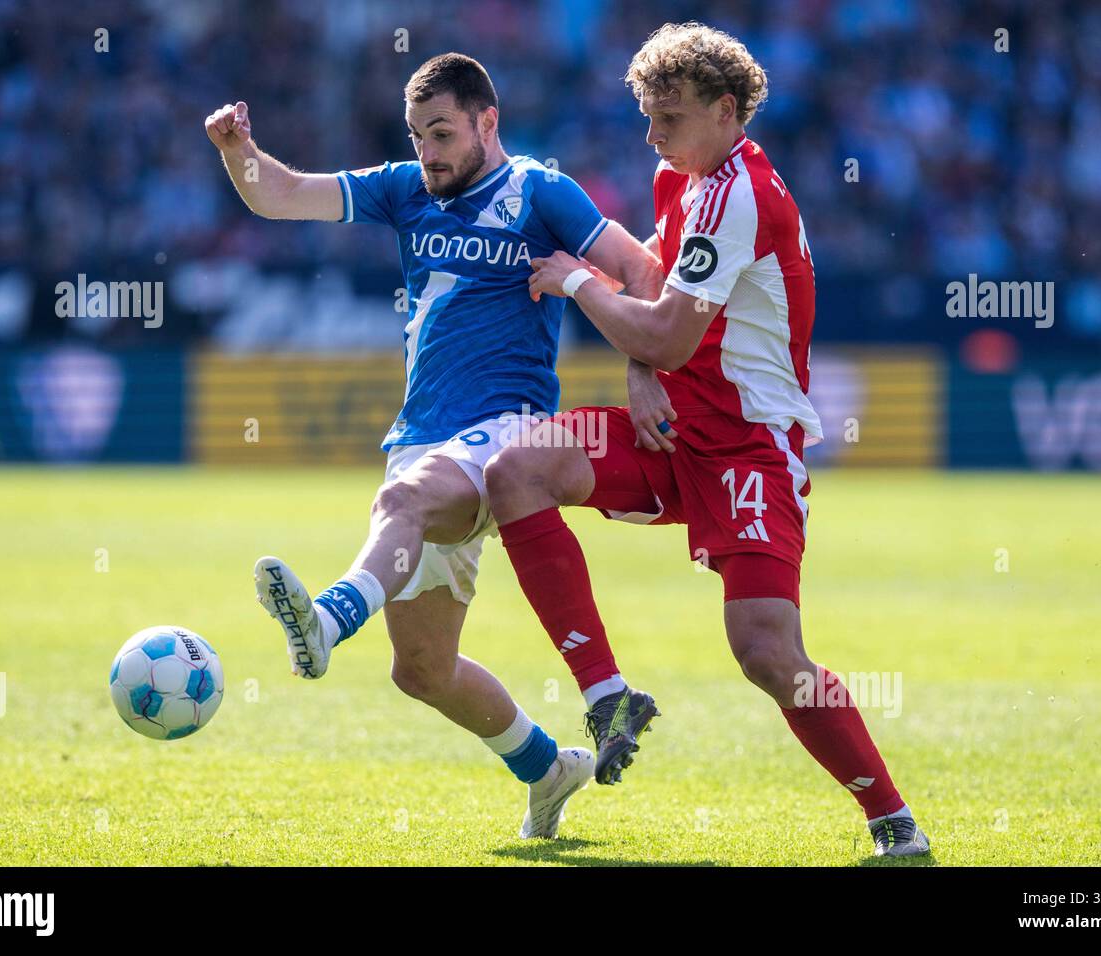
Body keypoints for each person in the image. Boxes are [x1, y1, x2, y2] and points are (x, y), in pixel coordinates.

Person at [483, 23, 931, 856]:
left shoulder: (739, 195)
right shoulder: (678, 176)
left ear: (727, 112)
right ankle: (608, 693)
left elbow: (664, 332)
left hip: (749, 447)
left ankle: (892, 821)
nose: (653, 136)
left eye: (671, 118)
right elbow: (655, 302)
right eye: (647, 117)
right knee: (516, 469)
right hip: (670, 427)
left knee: (764, 650)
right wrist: (639, 371)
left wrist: (578, 280)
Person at [204, 53, 662, 838]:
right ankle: (549, 770)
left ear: (489, 121)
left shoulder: (541, 192)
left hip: (509, 431)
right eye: (418, 136)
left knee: (403, 500)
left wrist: (642, 370)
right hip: (421, 436)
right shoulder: (406, 188)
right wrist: (235, 151)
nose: (429, 153)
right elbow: (278, 194)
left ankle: (326, 620)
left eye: (443, 133)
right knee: (420, 670)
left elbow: (643, 272)